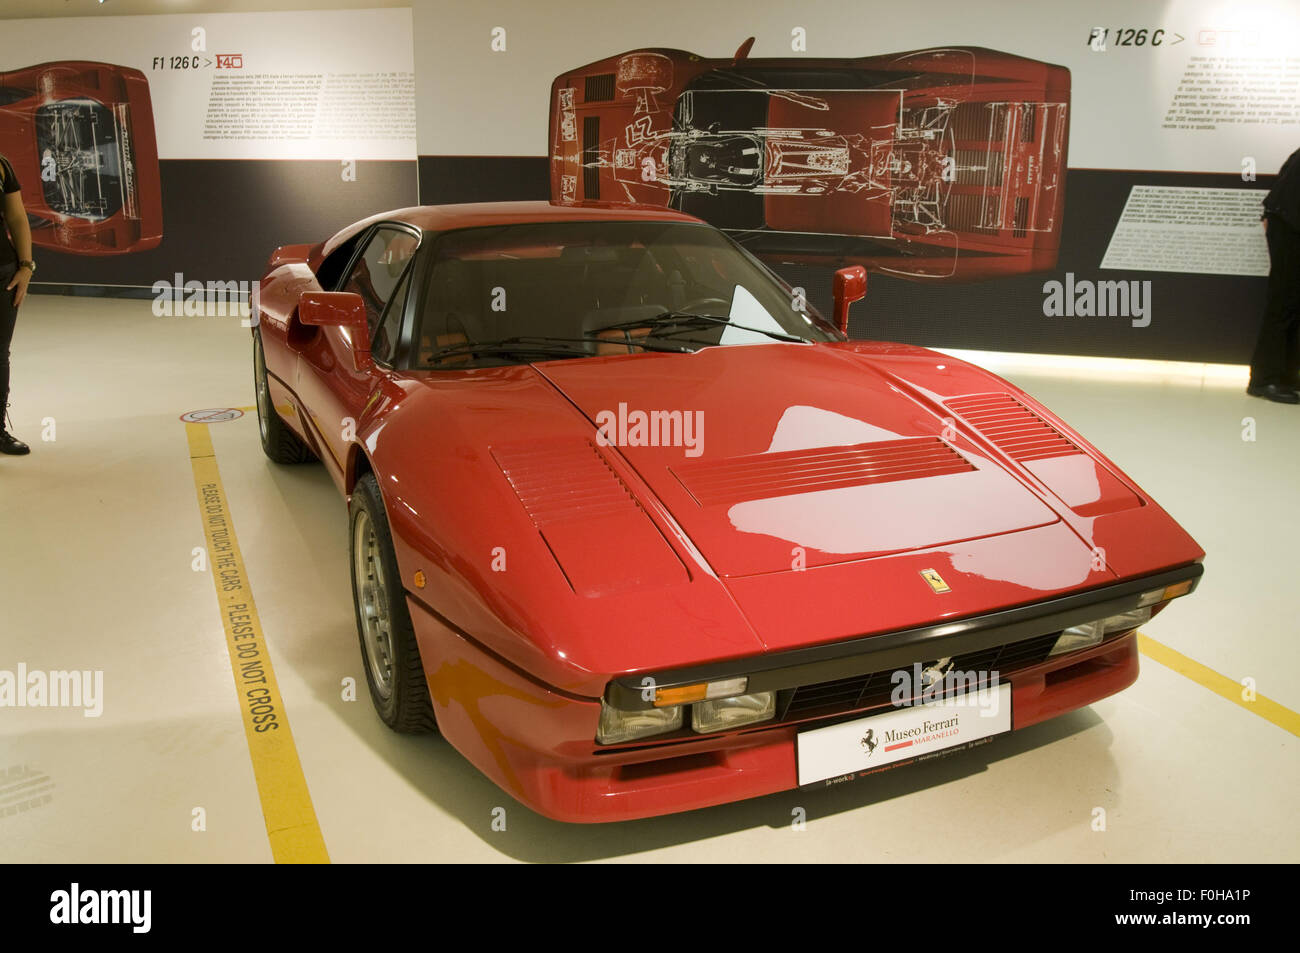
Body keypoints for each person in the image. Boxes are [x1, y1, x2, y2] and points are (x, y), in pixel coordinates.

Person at [1248, 146, 1300, 404]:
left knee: (1291, 303)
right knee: (1284, 301)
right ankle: (1264, 380)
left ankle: (1285, 377)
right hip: (1290, 227)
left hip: (1286, 222)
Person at [0, 151, 34, 452]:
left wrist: (26, 266)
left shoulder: (1, 164)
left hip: (3, 274)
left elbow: (16, 216)